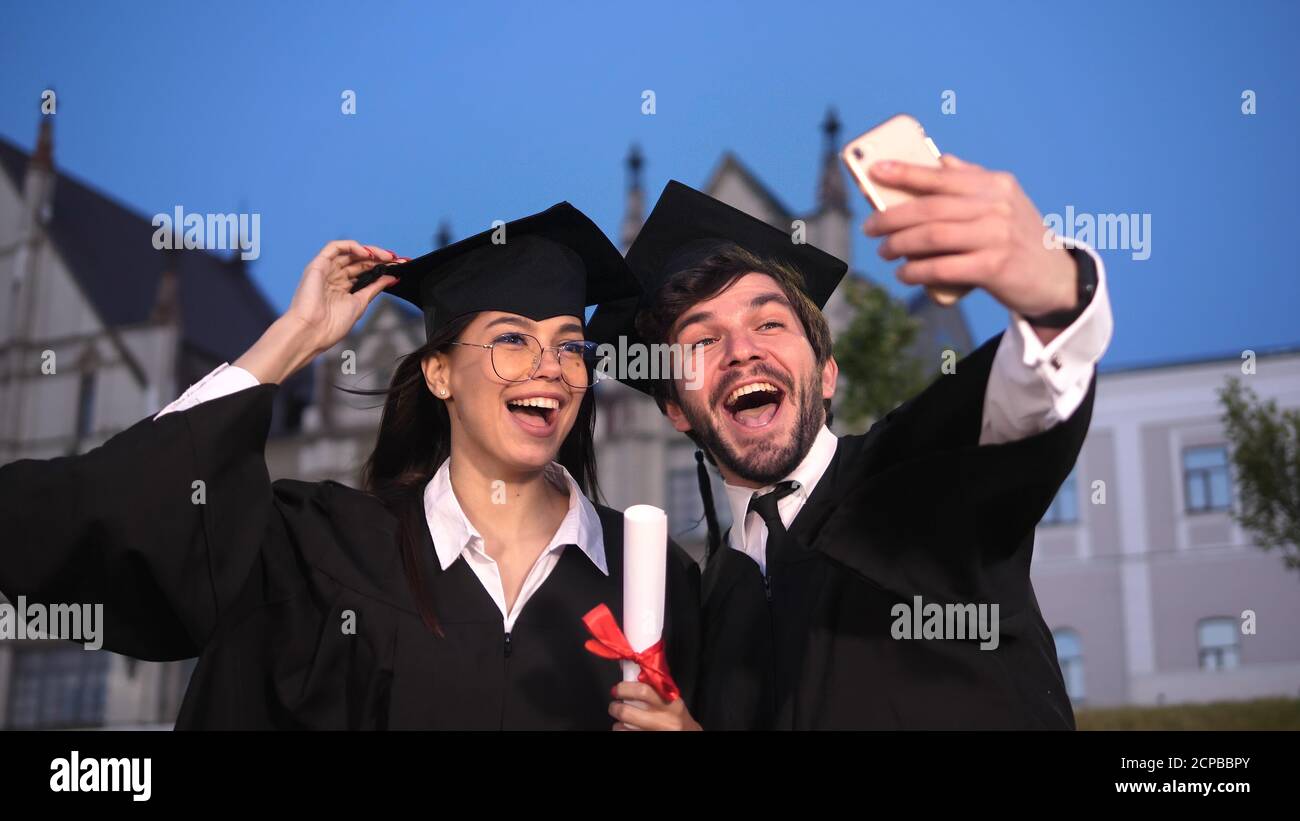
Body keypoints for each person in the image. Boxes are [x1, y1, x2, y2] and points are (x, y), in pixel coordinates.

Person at [0, 202, 701, 730]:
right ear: (438, 374)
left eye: (570, 345)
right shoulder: (323, 550)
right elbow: (128, 516)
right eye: (512, 339)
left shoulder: (661, 579)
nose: (549, 366)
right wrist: (295, 336)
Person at [589, 168, 1113, 730]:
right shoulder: (709, 601)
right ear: (673, 409)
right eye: (703, 340)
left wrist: (1056, 294)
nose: (741, 351)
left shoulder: (909, 485)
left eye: (768, 322)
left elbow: (1015, 404)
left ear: (826, 373)